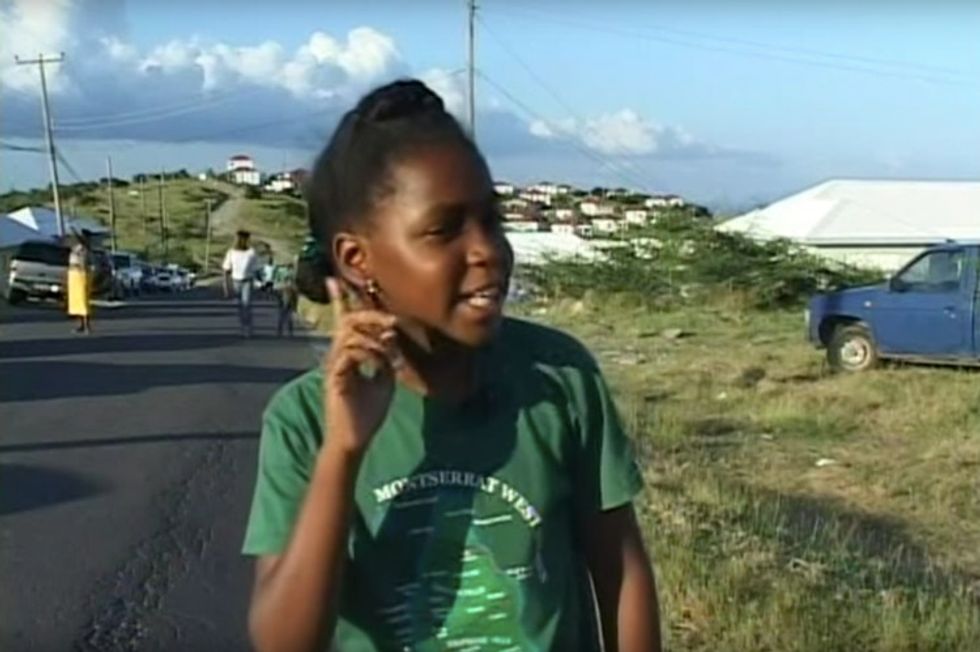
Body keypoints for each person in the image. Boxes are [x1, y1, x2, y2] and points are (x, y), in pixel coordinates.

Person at [242, 80, 662, 652]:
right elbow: (283, 642)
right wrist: (343, 453)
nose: (487, 249)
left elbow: (621, 573)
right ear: (356, 258)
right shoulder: (303, 424)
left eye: (492, 220)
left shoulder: (560, 379)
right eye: (443, 230)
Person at [223, 230, 260, 337]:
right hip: (236, 281)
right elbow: (226, 269)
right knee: (240, 305)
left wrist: (260, 282)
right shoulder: (231, 252)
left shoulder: (251, 252)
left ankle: (247, 328)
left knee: (246, 304)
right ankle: (244, 325)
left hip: (247, 280)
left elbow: (256, 268)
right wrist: (226, 286)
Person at [67, 231, 93, 334]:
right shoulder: (75, 248)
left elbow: (83, 263)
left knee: (82, 301)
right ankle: (80, 324)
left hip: (81, 275)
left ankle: (86, 326)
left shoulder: (84, 249)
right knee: (76, 302)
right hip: (74, 275)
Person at [272, 261, 298, 337]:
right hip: (288, 289)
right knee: (287, 311)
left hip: (279, 288)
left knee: (282, 310)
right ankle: (288, 330)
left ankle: (280, 329)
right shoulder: (292, 271)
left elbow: (275, 280)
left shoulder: (278, 270)